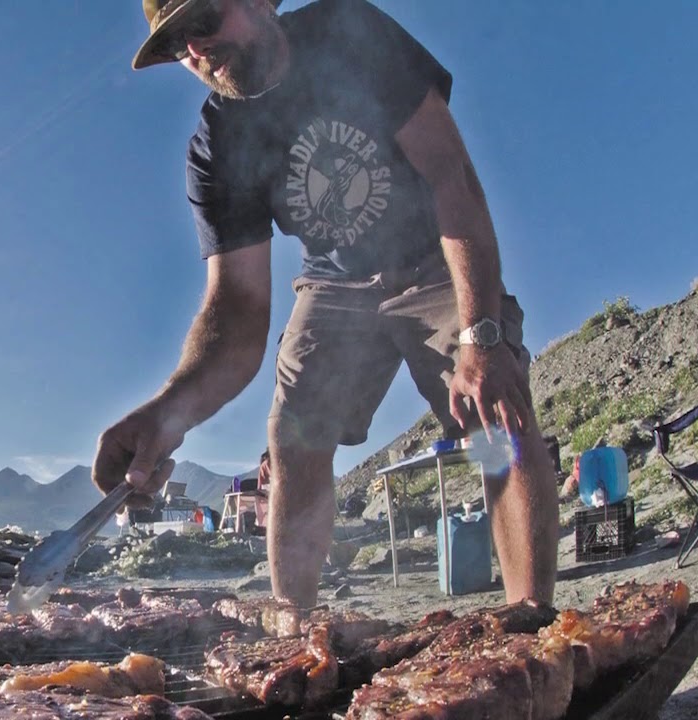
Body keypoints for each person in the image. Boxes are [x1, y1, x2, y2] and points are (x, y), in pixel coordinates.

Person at [91, 0, 558, 606]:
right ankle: (298, 646)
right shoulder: (216, 149)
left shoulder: (350, 32)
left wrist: (481, 335)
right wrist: (165, 414)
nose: (197, 51)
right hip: (333, 286)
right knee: (293, 439)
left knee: (493, 411)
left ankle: (534, 624)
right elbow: (234, 312)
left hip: (431, 258)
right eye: (178, 45)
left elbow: (450, 174)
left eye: (203, 21)